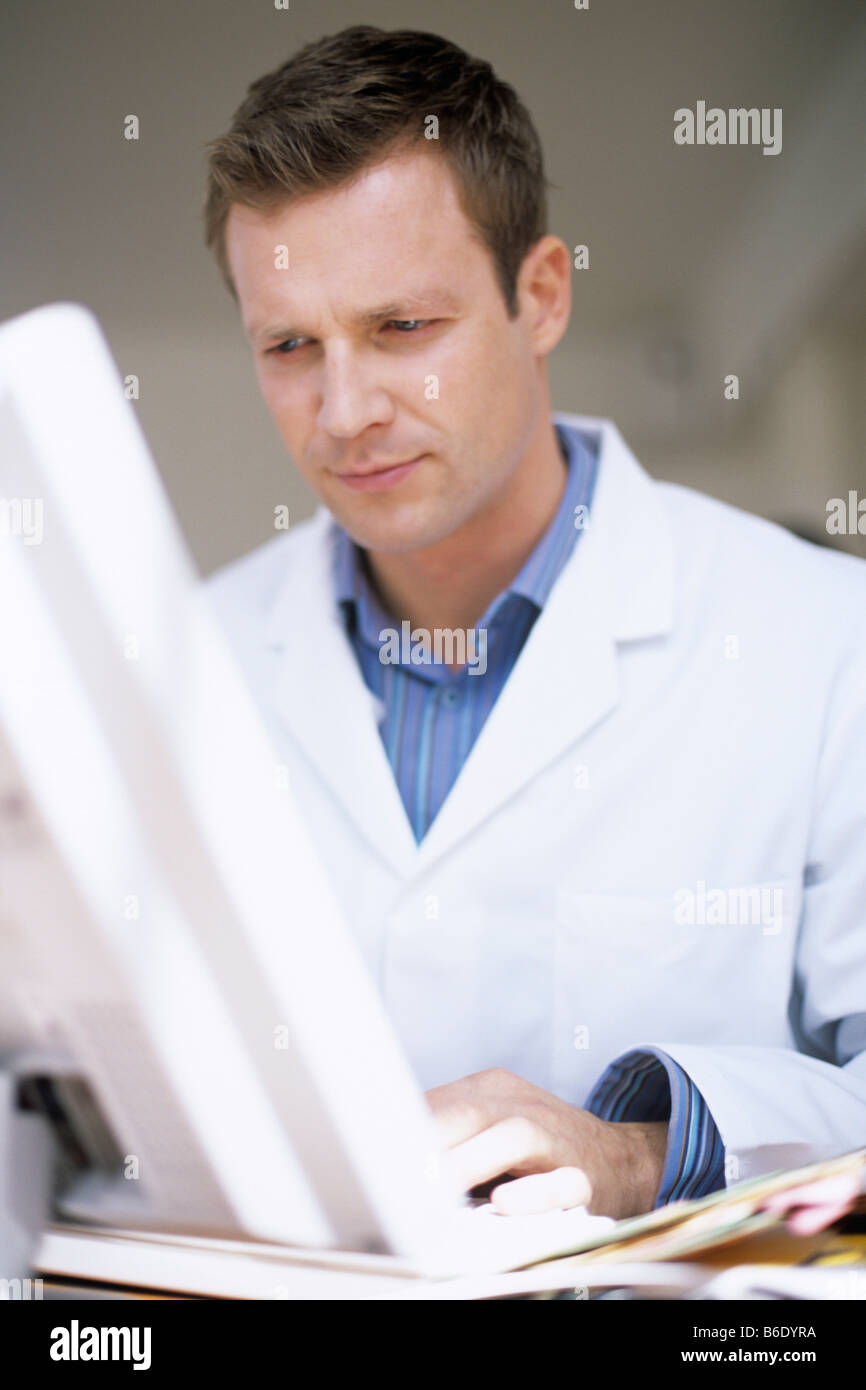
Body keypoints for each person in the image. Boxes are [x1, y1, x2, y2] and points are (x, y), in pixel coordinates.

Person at [201, 25, 866, 1222]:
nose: (344, 411)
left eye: (402, 327)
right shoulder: (184, 661)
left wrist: (636, 1151)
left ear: (541, 295)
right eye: (290, 345)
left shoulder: (823, 641)